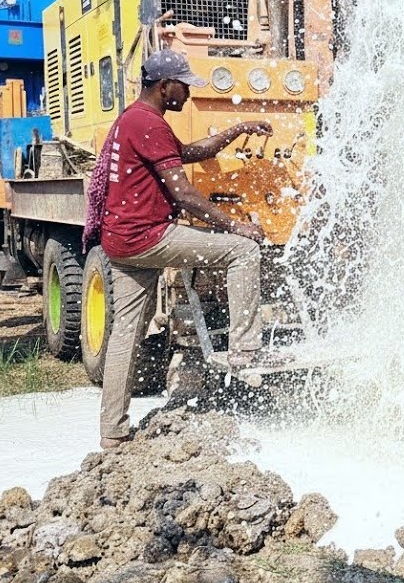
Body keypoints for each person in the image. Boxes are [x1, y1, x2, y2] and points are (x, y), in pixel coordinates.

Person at [86, 50, 286, 450]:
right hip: (148, 237)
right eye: (184, 85)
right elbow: (185, 194)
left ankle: (112, 432)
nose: (188, 93)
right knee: (242, 251)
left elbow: (190, 153)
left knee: (125, 334)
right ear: (164, 86)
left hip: (120, 241)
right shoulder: (148, 124)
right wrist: (234, 224)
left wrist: (236, 130)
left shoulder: (135, 119)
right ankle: (245, 350)